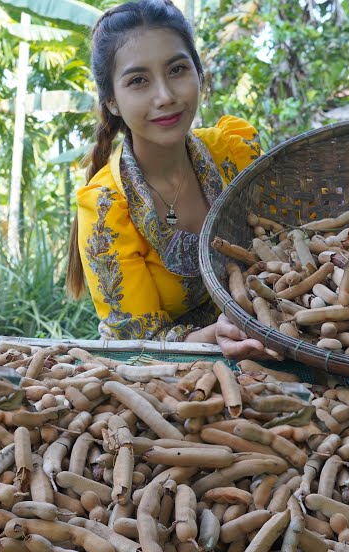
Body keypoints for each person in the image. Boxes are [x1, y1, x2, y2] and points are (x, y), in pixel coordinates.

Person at [65, 0, 268, 359]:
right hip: (163, 379)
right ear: (112, 101)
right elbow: (138, 344)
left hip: (270, 341)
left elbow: (279, 248)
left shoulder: (232, 153)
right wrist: (215, 335)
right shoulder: (106, 210)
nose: (166, 96)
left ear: (198, 73)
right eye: (138, 80)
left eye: (177, 69)